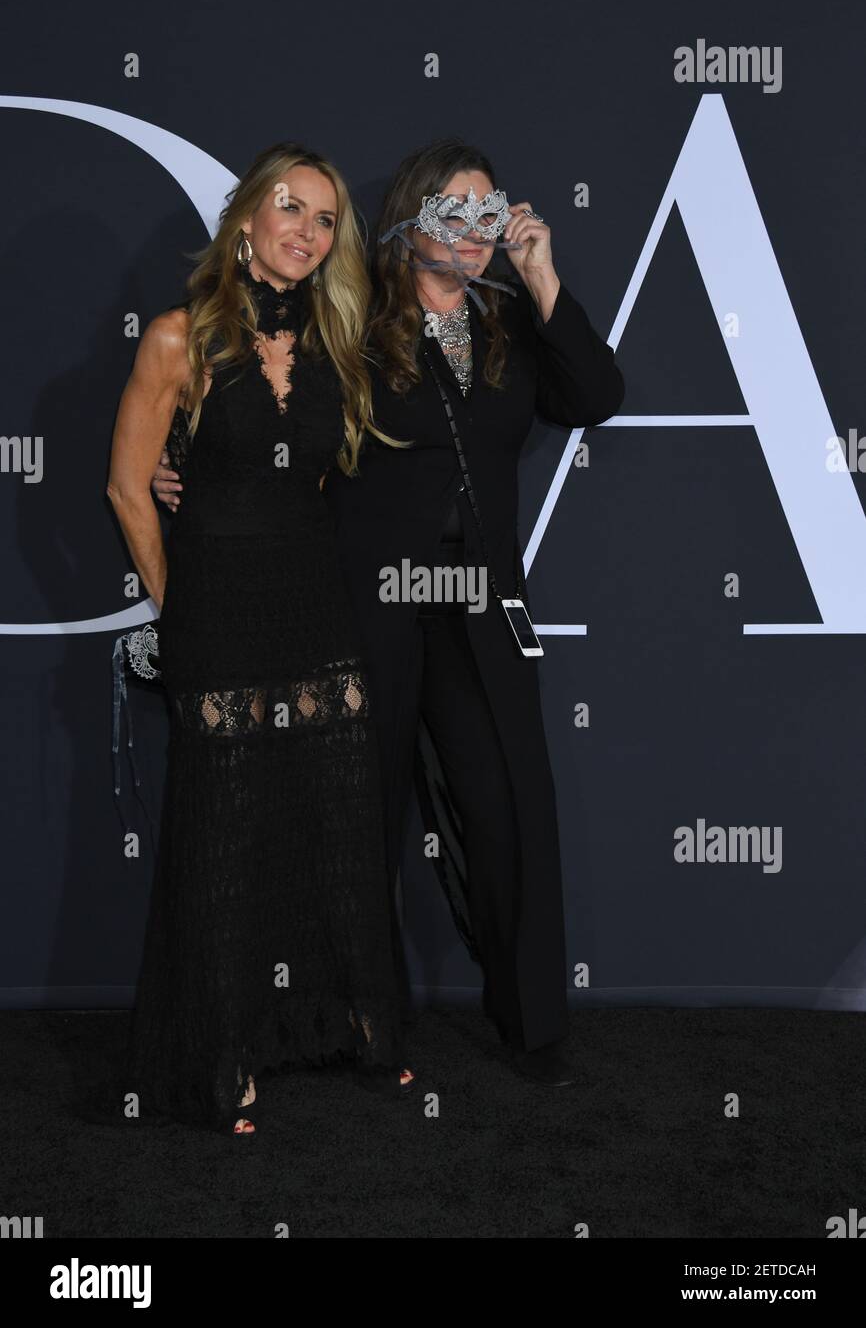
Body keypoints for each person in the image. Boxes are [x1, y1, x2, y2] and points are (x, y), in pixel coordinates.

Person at [154, 137, 624, 1088]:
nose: (477, 231)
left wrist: (542, 278)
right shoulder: (352, 326)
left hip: (481, 606)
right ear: (410, 225)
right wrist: (194, 471)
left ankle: (530, 1026)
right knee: (349, 815)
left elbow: (597, 397)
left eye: (492, 214)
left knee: (505, 808)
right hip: (364, 601)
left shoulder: (512, 327)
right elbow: (272, 424)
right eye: (455, 211)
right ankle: (347, 1024)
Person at [102, 141, 414, 1137]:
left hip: (315, 608)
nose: (308, 231)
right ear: (245, 221)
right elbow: (126, 486)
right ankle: (220, 1057)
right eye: (291, 209)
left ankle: (360, 1028)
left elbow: (314, 482)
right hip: (218, 615)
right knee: (223, 837)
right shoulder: (176, 339)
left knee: (335, 820)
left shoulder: (335, 346)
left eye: (326, 220)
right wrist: (174, 601)